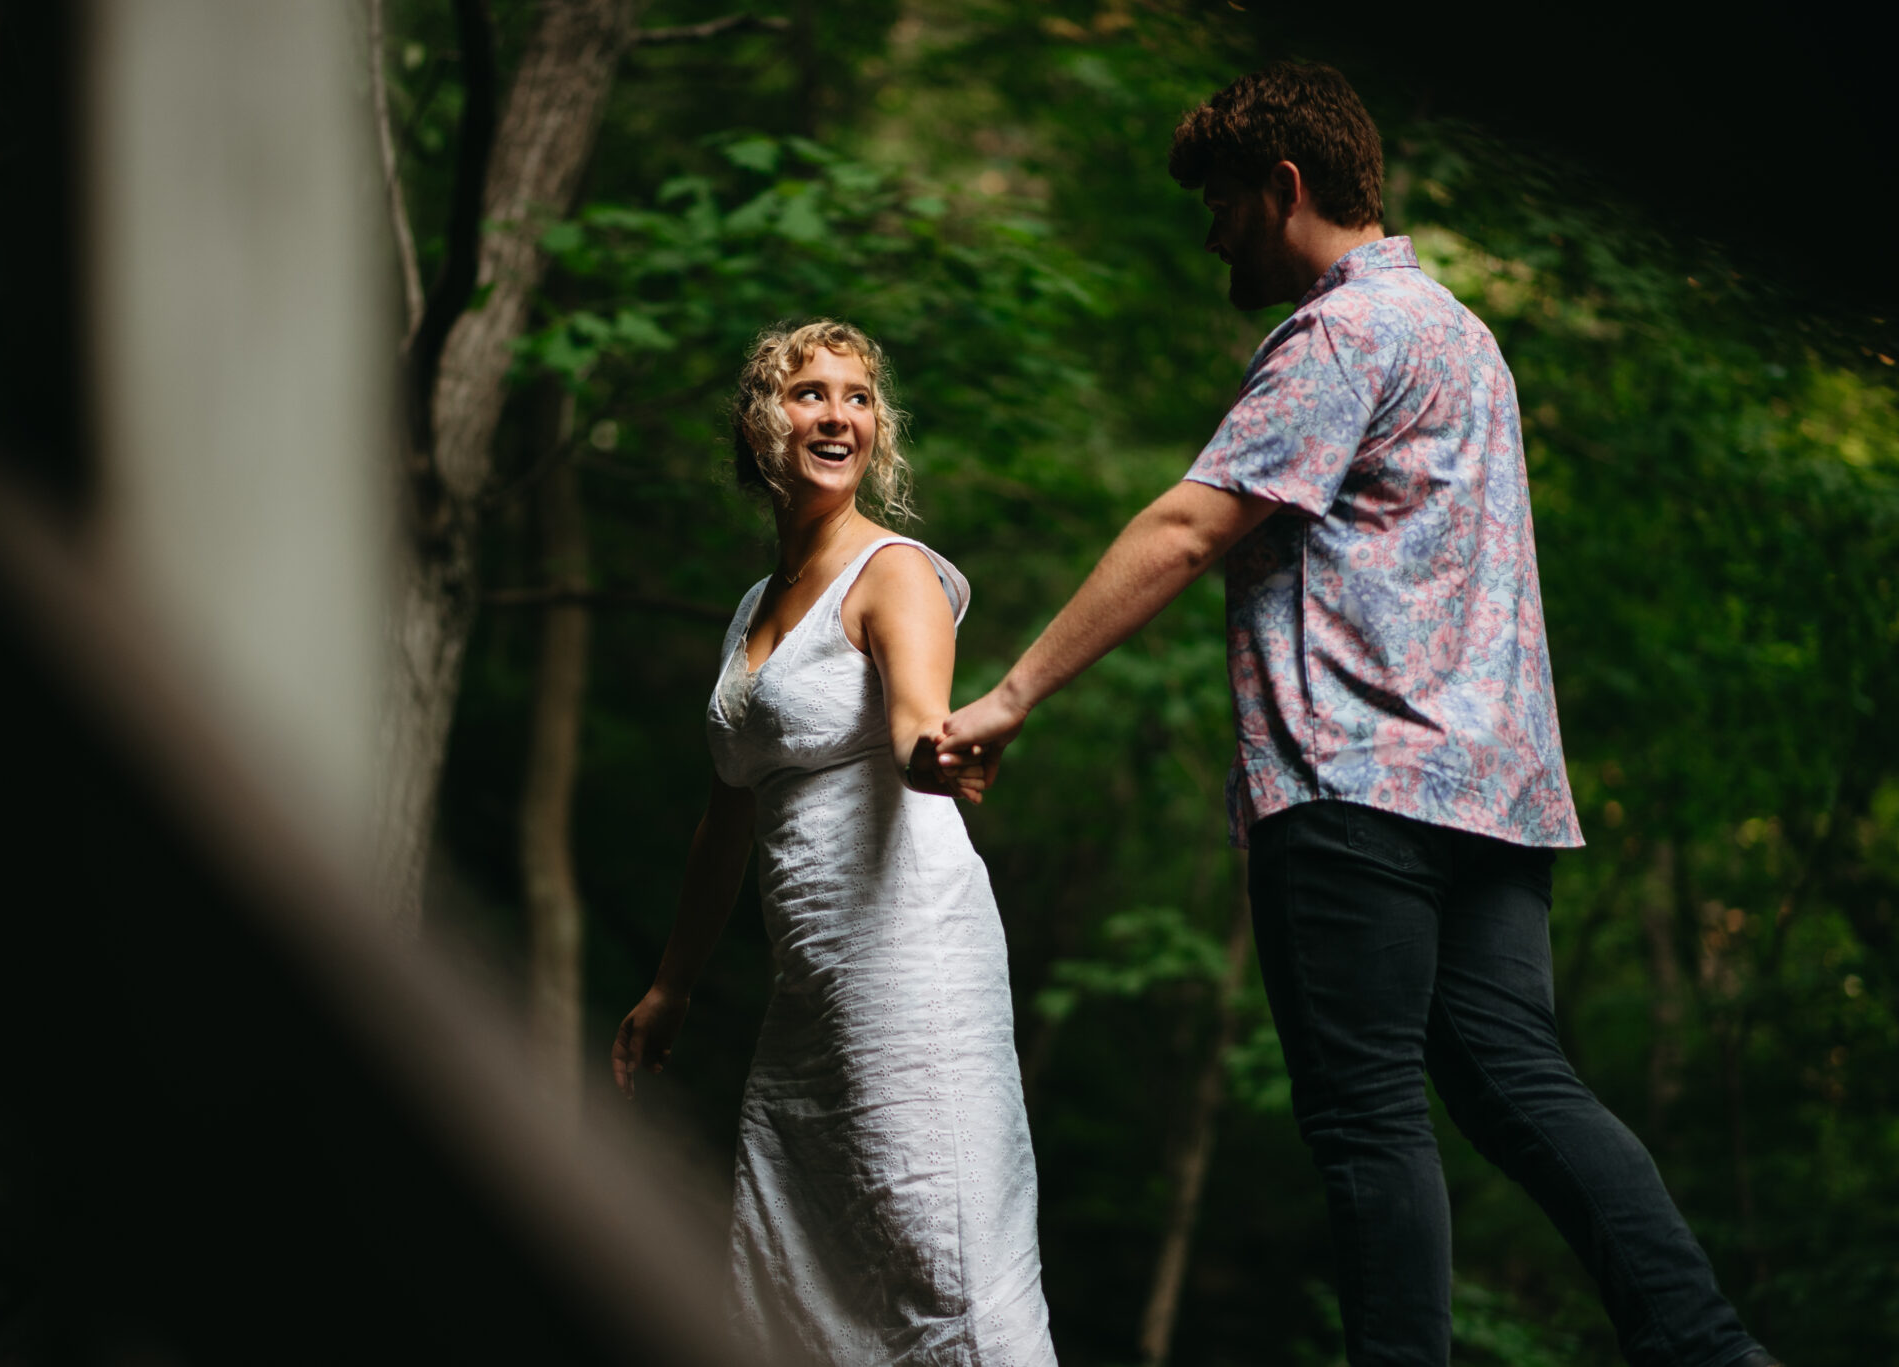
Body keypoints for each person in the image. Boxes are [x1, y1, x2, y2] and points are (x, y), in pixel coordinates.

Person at [936, 62, 1778, 1367]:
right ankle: (1715, 1349)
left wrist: (1010, 691)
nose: (1210, 231)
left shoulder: (1344, 334)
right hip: (1492, 797)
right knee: (1522, 1089)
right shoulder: (1463, 336)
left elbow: (1190, 521)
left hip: (1358, 792)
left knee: (1367, 1117)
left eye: (1220, 202)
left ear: (1283, 188)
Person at [611, 320, 1057, 1365]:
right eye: (808, 392)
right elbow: (727, 810)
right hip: (807, 988)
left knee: (943, 1247)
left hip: (911, 953)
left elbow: (913, 721)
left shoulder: (893, 572)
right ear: (762, 425)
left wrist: (939, 754)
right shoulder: (751, 610)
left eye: (856, 396)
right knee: (798, 1260)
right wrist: (671, 984)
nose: (837, 414)